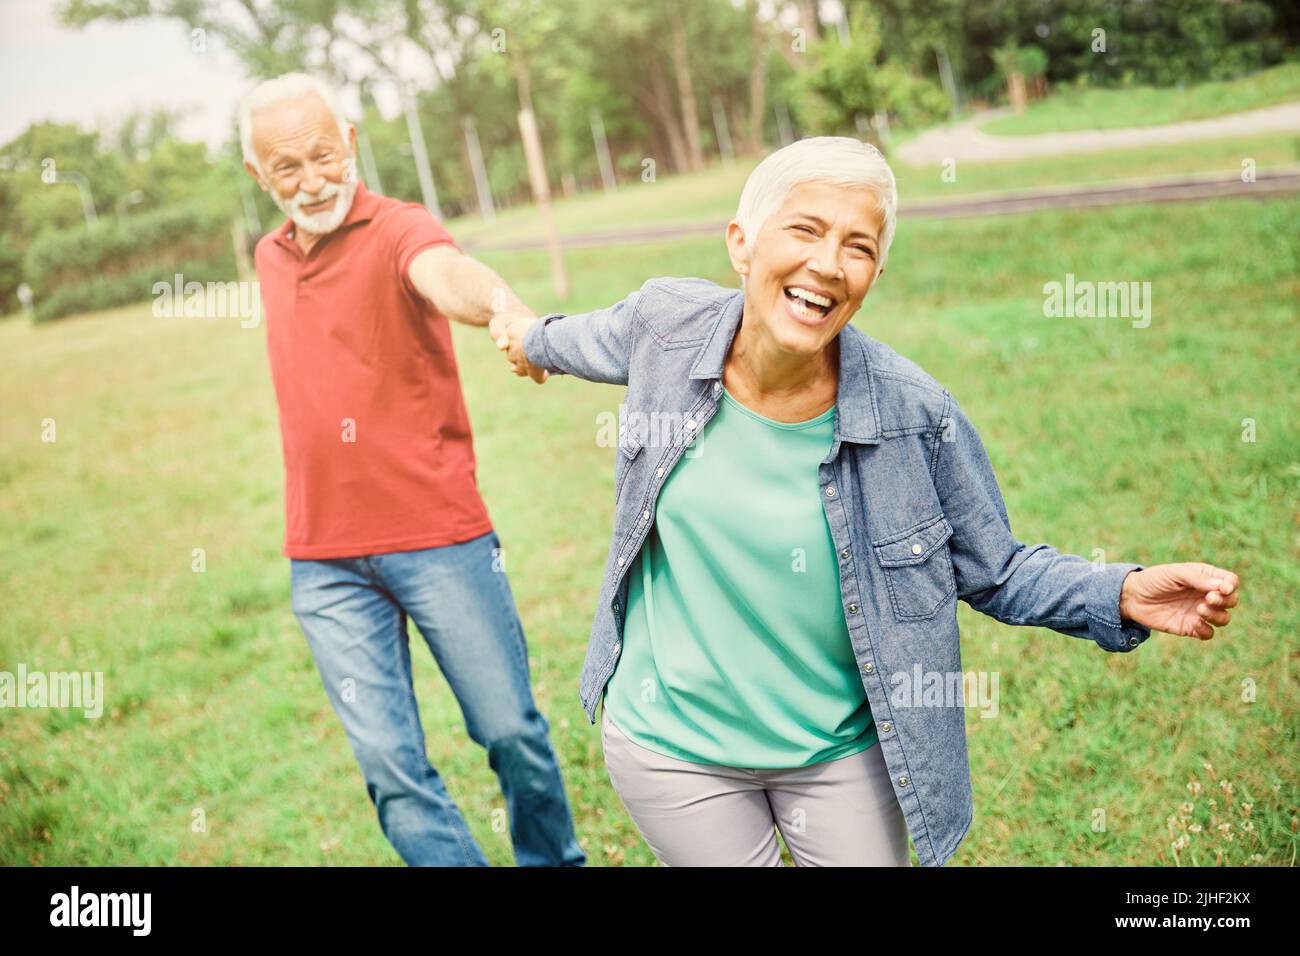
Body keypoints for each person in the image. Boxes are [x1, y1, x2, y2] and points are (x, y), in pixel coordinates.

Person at [489, 136, 1241, 866]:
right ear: (741, 244)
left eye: (858, 246)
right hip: (673, 747)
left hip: (839, 752)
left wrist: (1120, 591)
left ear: (874, 274)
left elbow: (996, 569)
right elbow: (574, 340)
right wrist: (527, 338)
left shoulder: (915, 415)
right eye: (805, 229)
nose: (828, 264)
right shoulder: (665, 325)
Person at [240, 72, 581, 866]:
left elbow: (445, 273)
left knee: (510, 731)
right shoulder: (269, 256)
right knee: (390, 768)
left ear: (351, 142)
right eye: (287, 167)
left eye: (324, 155)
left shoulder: (400, 228)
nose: (312, 180)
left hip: (438, 536)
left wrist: (501, 307)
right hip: (324, 560)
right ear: (259, 175)